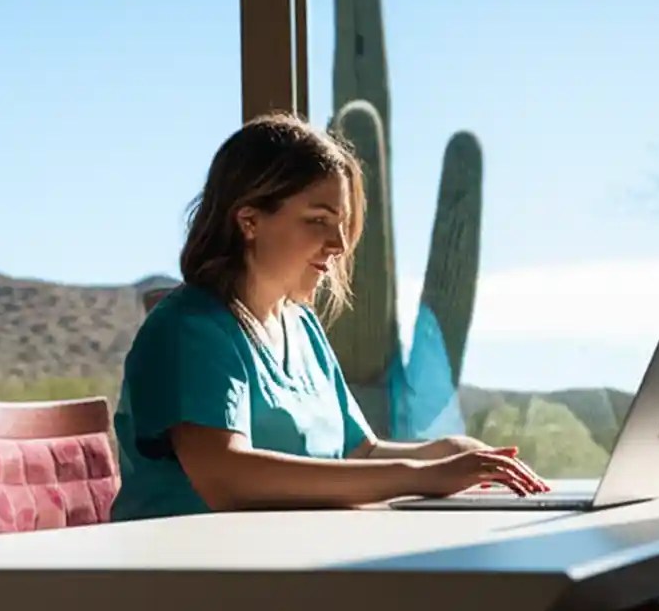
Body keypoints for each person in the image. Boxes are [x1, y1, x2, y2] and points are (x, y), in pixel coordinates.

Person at [111, 113, 548, 524]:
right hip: (186, 583)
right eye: (318, 220)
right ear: (249, 221)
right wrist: (419, 476)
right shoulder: (191, 329)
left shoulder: (301, 327)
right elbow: (227, 477)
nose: (338, 243)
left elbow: (357, 452)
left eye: (341, 223)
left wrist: (447, 453)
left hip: (284, 571)